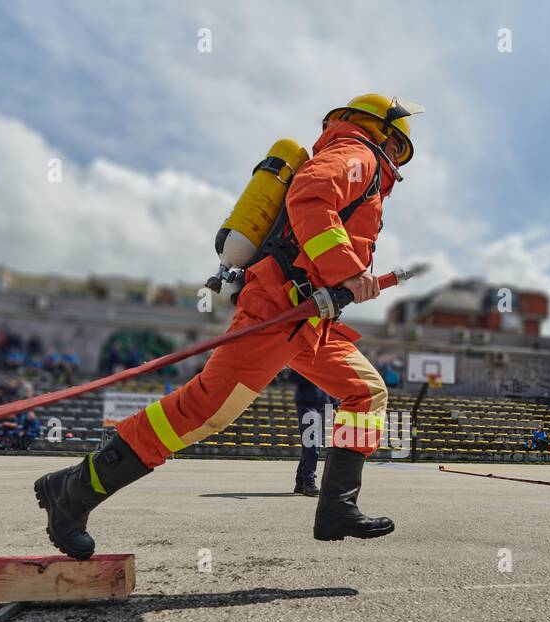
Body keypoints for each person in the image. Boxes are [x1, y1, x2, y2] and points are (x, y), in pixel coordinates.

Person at [33, 93, 423, 559]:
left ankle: (337, 506)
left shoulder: (356, 157)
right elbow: (311, 195)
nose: (398, 160)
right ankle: (73, 492)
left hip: (309, 319)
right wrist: (348, 270)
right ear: (381, 129)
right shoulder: (357, 152)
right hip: (280, 311)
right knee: (204, 411)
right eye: (398, 147)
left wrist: (344, 279)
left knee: (366, 391)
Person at [291, 368, 328, 496]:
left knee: (312, 445)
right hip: (307, 404)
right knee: (312, 444)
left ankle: (301, 482)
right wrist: (314, 373)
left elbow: (334, 384)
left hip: (324, 406)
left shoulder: (330, 362)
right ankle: (309, 483)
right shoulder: (306, 361)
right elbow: (293, 377)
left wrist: (334, 405)